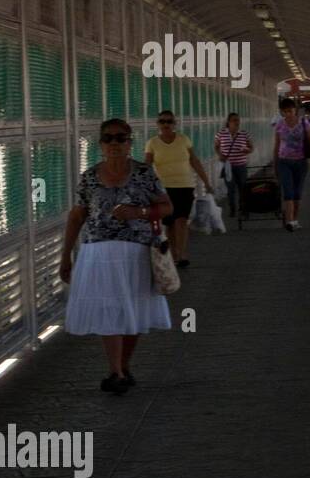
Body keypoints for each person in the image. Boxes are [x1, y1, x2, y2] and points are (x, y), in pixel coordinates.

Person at [62, 118, 174, 394]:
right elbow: (77, 215)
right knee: (109, 308)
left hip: (135, 251)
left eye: (120, 138)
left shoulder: (144, 173)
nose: (114, 143)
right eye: (108, 138)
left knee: (131, 309)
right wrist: (65, 256)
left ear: (129, 142)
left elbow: (167, 207)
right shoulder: (89, 177)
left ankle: (123, 366)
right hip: (97, 252)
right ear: (100, 144)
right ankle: (115, 370)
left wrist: (141, 213)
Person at [144, 110, 211, 268]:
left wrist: (206, 182)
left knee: (181, 220)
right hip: (163, 189)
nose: (166, 124)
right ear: (158, 124)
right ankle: (173, 254)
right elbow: (146, 167)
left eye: (169, 121)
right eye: (162, 121)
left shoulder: (183, 140)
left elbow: (194, 161)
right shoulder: (152, 143)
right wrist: (145, 187)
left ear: (174, 124)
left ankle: (182, 254)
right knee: (170, 223)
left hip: (185, 185)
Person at [272, 97, 310, 231]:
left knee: (297, 193)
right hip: (284, 161)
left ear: (295, 110)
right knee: (288, 192)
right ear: (281, 112)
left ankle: (294, 219)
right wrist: (275, 164)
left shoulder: (304, 123)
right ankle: (290, 221)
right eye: (285, 112)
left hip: (301, 162)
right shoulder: (280, 124)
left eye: (290, 111)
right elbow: (277, 145)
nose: (288, 114)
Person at [214, 112, 253, 218]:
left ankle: (243, 208)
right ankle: (232, 208)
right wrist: (220, 154)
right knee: (230, 189)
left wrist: (247, 150)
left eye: (238, 120)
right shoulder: (221, 133)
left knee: (242, 188)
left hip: (241, 165)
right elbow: (216, 146)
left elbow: (251, 147)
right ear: (228, 122)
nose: (237, 122)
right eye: (234, 120)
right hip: (228, 166)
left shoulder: (244, 133)